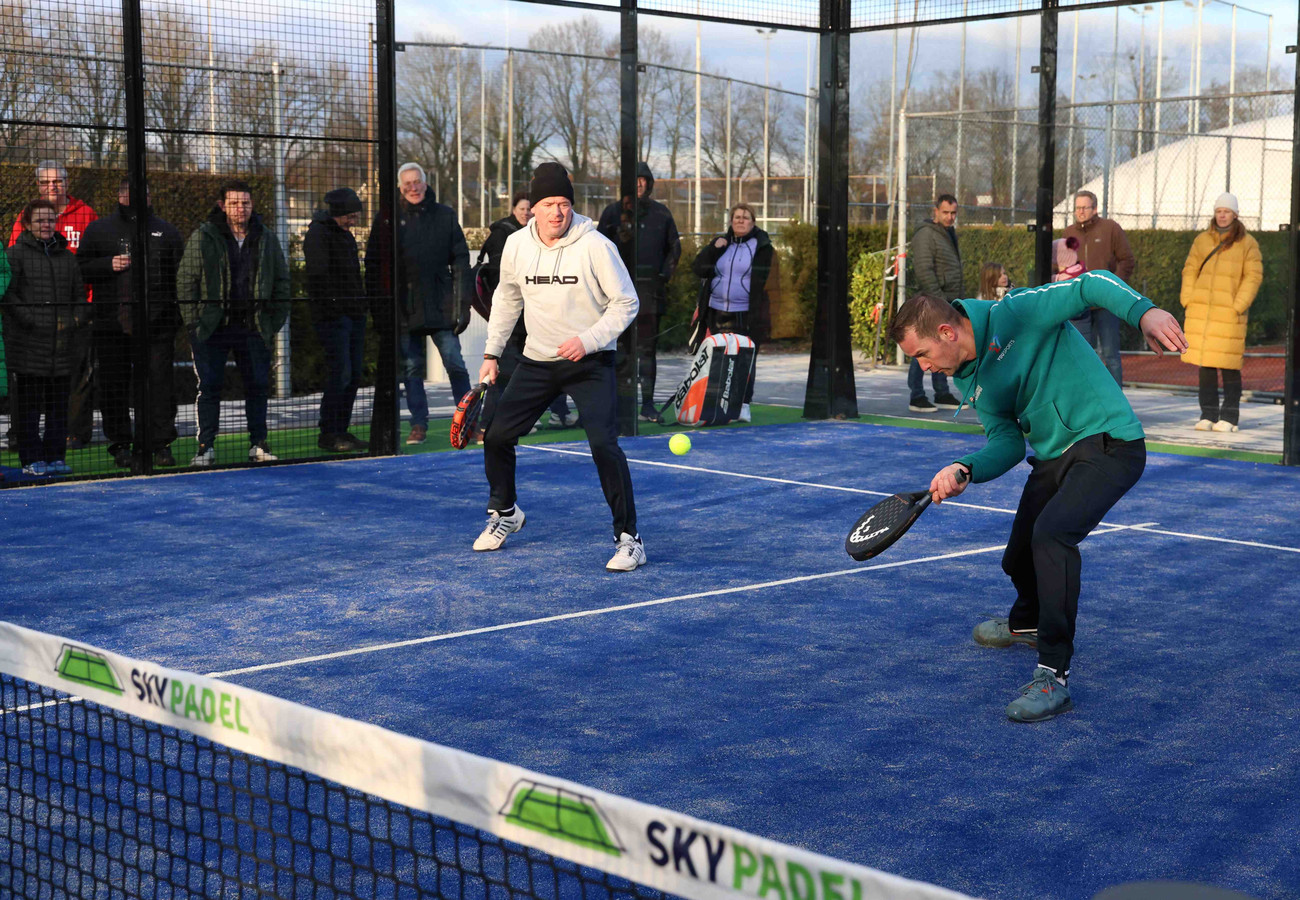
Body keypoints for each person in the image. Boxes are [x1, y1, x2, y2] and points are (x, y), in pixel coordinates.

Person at [889, 272, 1187, 722]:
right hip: (1055, 456)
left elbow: (1092, 284)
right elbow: (1006, 442)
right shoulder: (970, 377)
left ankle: (1053, 675)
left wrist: (1144, 312)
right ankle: (1027, 624)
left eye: (922, 355)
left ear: (947, 332)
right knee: (1017, 557)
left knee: (1051, 536)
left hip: (1110, 442)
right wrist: (966, 467)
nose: (924, 367)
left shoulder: (1018, 311)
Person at [475, 162, 644, 572]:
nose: (557, 212)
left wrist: (587, 340)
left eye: (564, 203)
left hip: (590, 363)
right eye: (549, 203)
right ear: (533, 208)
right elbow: (507, 299)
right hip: (537, 360)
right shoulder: (516, 244)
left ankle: (629, 539)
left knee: (604, 445)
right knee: (496, 436)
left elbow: (627, 302)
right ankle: (506, 513)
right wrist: (491, 354)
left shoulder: (596, 245)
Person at [177, 180, 290, 466]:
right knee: (209, 386)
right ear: (223, 205)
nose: (241, 208)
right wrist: (194, 323)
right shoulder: (204, 236)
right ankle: (206, 447)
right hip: (211, 327)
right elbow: (186, 281)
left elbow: (282, 282)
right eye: (234, 203)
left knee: (258, 385)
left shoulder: (266, 237)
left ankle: (258, 444)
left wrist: (271, 322)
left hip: (253, 326)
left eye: (245, 203)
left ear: (252, 205)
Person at [77, 178, 185, 468]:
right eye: (132, 193)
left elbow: (181, 276)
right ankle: (120, 445)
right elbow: (79, 269)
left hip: (158, 325)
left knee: (159, 386)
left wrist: (174, 317)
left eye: (144, 194)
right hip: (111, 324)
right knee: (114, 386)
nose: (139, 198)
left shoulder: (167, 231)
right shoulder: (98, 229)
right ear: (120, 195)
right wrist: (106, 264)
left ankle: (160, 444)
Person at [365, 162, 471, 446]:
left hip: (441, 305)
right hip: (403, 309)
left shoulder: (445, 215)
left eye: (417, 182)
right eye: (407, 184)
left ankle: (469, 423)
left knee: (456, 365)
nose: (413, 188)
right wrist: (380, 310)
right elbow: (373, 264)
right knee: (411, 370)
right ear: (400, 188)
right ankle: (418, 425)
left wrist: (462, 304)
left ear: (426, 183)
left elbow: (461, 259)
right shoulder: (387, 219)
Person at [6, 160, 97, 452]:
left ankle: (74, 434)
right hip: (34, 322)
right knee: (29, 382)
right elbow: (12, 269)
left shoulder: (86, 214)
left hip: (73, 317)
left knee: (75, 379)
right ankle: (21, 435)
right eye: (45, 182)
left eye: (57, 181)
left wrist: (80, 314)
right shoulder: (24, 218)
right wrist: (27, 316)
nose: (52, 187)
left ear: (66, 183)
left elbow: (94, 261)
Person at [476, 191, 573, 431]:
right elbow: (505, 288)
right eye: (522, 209)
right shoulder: (506, 237)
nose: (527, 213)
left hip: (538, 319)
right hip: (515, 321)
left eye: (530, 209)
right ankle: (489, 422)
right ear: (513, 210)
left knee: (554, 363)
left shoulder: (550, 238)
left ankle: (559, 413)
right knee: (508, 372)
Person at [597, 161, 681, 423]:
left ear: (650, 184)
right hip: (616, 294)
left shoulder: (661, 213)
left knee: (646, 351)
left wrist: (662, 277)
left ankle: (647, 405)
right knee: (618, 351)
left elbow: (674, 248)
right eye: (635, 179)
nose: (639, 184)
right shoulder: (612, 213)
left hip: (649, 294)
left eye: (644, 180)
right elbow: (597, 250)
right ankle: (619, 405)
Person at [1179, 192, 1262, 434]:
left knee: (1229, 367)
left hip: (1228, 315)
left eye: (1226, 211)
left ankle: (1229, 417)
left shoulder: (1247, 243)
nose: (1222, 215)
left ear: (1235, 215)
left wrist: (1238, 305)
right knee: (1204, 366)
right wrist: (1188, 298)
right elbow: (1190, 269)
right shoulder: (1202, 240)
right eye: (1219, 211)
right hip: (1201, 312)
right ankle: (1207, 414)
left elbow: (1253, 276)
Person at [689, 202, 774, 423]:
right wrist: (713, 249)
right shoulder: (721, 243)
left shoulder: (761, 246)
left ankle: (743, 404)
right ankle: (715, 405)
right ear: (730, 221)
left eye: (745, 217)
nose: (740, 221)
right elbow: (698, 268)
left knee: (745, 360)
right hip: (716, 311)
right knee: (717, 359)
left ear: (753, 222)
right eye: (737, 217)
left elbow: (767, 281)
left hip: (745, 313)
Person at [304, 187, 369, 453]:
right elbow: (319, 277)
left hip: (352, 314)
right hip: (334, 317)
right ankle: (329, 433)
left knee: (352, 374)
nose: (353, 221)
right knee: (340, 373)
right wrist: (335, 308)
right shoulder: (318, 235)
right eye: (350, 216)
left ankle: (341, 430)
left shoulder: (345, 235)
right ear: (338, 213)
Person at [1060, 190, 1135, 387]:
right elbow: (1062, 264)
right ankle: (1084, 396)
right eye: (1077, 208)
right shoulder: (1069, 233)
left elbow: (1127, 260)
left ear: (1094, 209)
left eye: (1084, 208)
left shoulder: (1110, 229)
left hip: (1106, 303)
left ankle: (1116, 399)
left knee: (1110, 354)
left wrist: (1113, 287)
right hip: (1079, 304)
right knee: (1080, 353)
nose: (1080, 212)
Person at [906, 194, 964, 413]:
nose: (950, 217)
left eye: (953, 213)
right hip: (932, 302)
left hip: (945, 301)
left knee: (940, 346)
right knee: (924, 347)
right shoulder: (926, 234)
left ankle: (941, 393)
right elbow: (924, 269)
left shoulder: (947, 233)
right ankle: (917, 395)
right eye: (945, 212)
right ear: (936, 212)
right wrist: (938, 299)